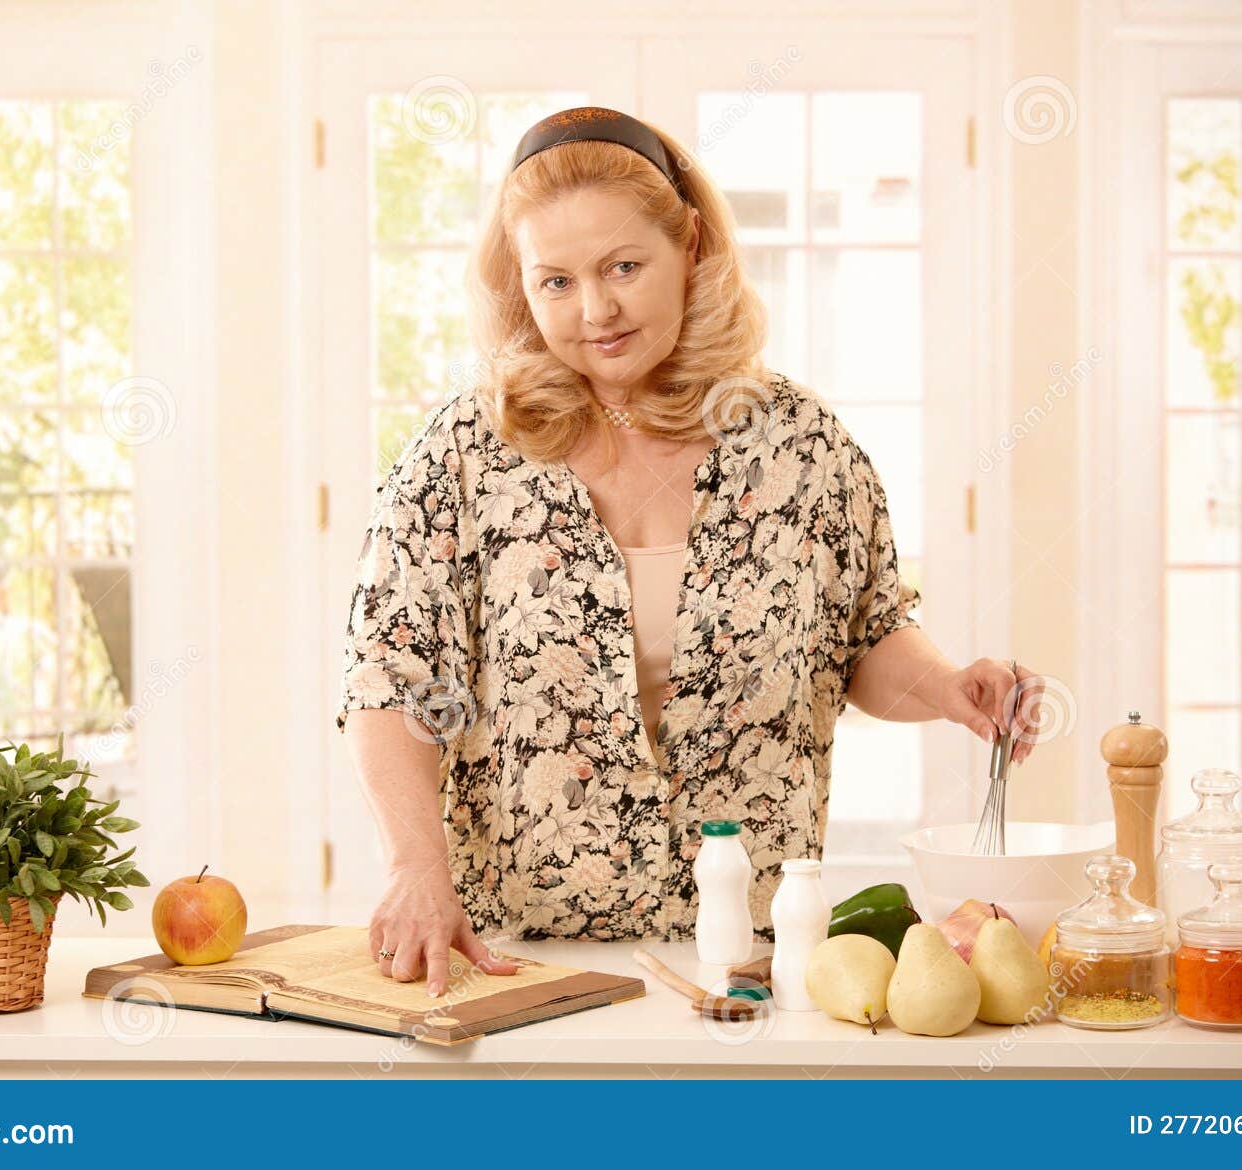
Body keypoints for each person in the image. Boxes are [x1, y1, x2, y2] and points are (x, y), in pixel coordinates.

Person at [336, 106, 1045, 996]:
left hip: (758, 952)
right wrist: (414, 868)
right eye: (554, 282)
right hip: (518, 956)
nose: (595, 311)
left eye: (624, 267)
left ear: (693, 247)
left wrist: (948, 688)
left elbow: (863, 638)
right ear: (519, 284)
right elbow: (390, 682)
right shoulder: (462, 457)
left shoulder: (801, 445)